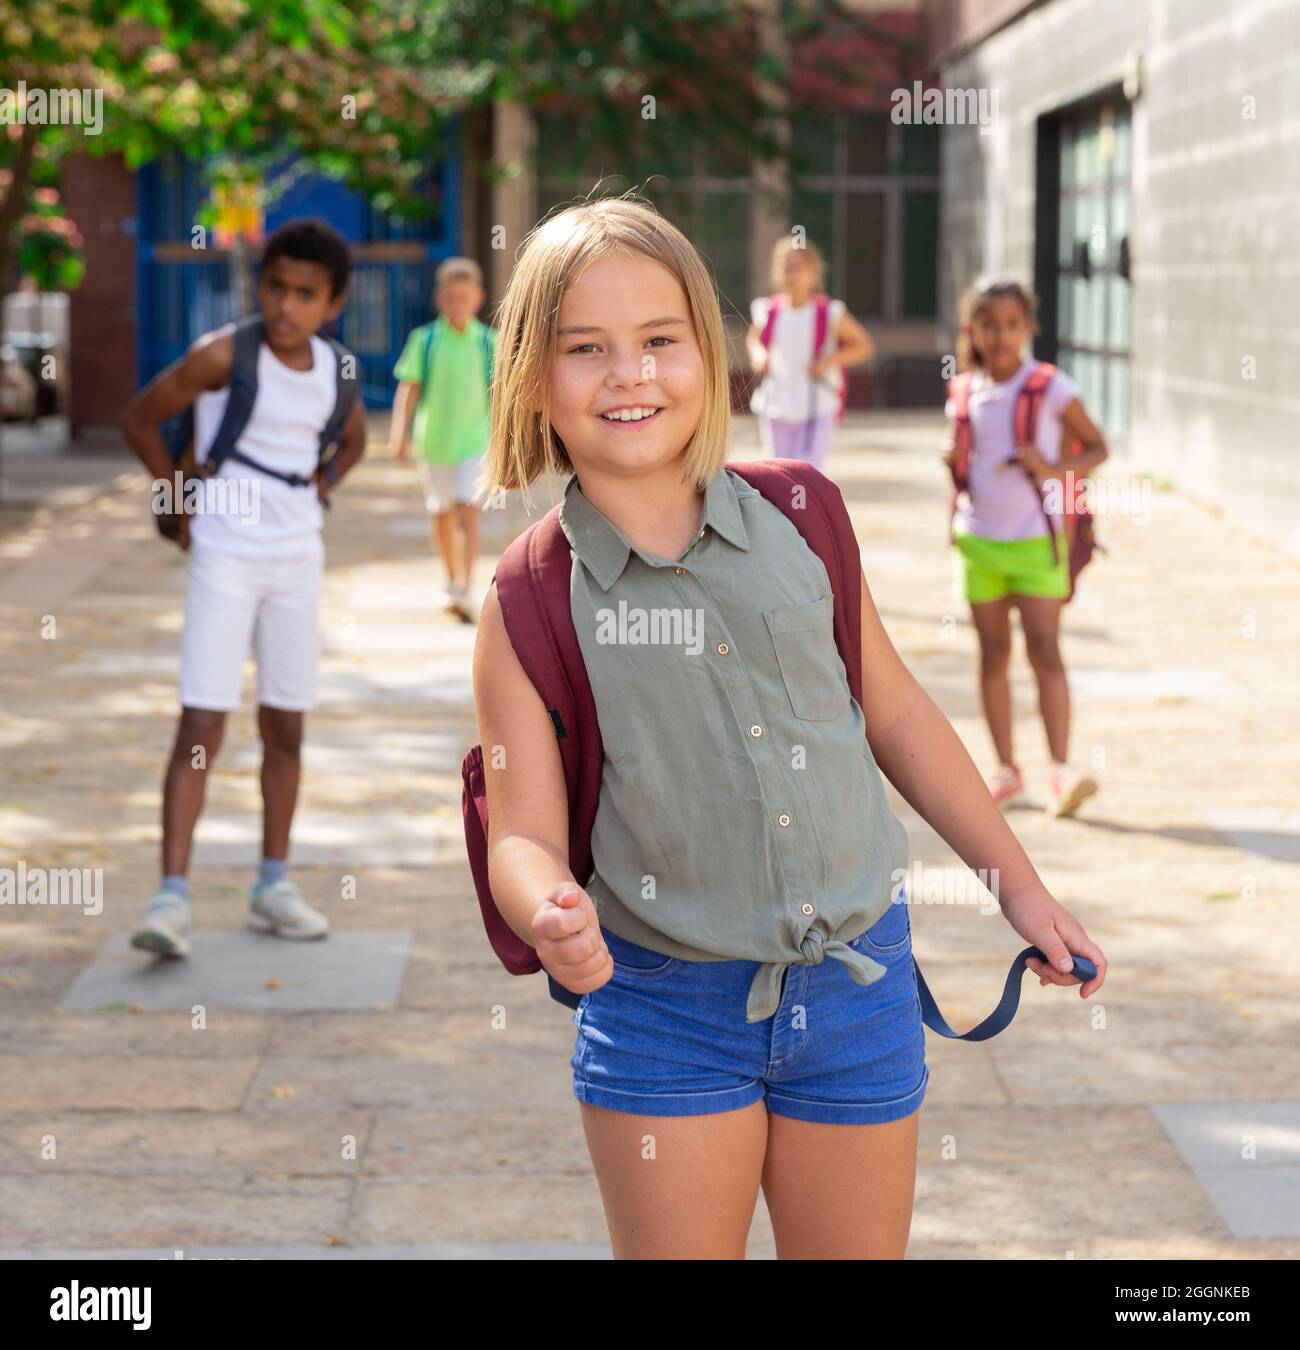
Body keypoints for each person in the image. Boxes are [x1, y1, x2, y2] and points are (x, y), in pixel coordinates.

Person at [472, 196, 1107, 1259]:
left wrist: (1022, 890)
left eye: (660, 341)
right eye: (587, 349)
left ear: (711, 355)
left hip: (857, 992)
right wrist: (547, 911)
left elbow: (897, 716)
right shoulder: (528, 596)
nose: (630, 375)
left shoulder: (803, 514)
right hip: (664, 1009)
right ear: (534, 376)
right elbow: (520, 830)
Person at [120, 218, 368, 957]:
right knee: (202, 720)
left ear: (333, 303)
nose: (287, 306)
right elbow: (140, 419)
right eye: (276, 288)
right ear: (259, 285)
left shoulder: (340, 370)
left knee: (285, 724)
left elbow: (351, 440)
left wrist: (317, 488)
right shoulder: (222, 355)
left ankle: (273, 884)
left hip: (298, 555)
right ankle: (172, 896)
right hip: (224, 551)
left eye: (306, 294)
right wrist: (175, 501)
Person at [942, 278, 1109, 817]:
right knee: (992, 653)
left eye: (1013, 324)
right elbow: (965, 462)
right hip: (978, 542)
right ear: (974, 330)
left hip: (1037, 541)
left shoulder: (1051, 386)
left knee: (1044, 650)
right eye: (990, 324)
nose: (1002, 334)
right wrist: (954, 461)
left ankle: (1062, 770)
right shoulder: (964, 389)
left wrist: (1056, 466)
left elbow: (1099, 447)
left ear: (1028, 328)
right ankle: (1006, 772)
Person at [390, 256, 498, 622]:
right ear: (440, 298)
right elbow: (409, 388)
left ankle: (466, 586)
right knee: (441, 513)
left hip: (475, 443)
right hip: (433, 444)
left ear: (478, 298)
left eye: (464, 297)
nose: (457, 304)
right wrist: (398, 434)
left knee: (468, 511)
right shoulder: (425, 340)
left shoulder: (487, 343)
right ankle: (450, 577)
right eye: (451, 297)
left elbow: (500, 395)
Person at [745, 234, 873, 466]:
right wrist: (758, 354)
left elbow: (863, 345)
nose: (790, 274)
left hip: (817, 407)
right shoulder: (767, 310)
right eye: (784, 267)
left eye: (797, 267)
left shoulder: (830, 313)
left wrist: (831, 360)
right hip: (776, 406)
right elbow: (754, 339)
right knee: (776, 472)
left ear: (814, 271)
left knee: (809, 473)